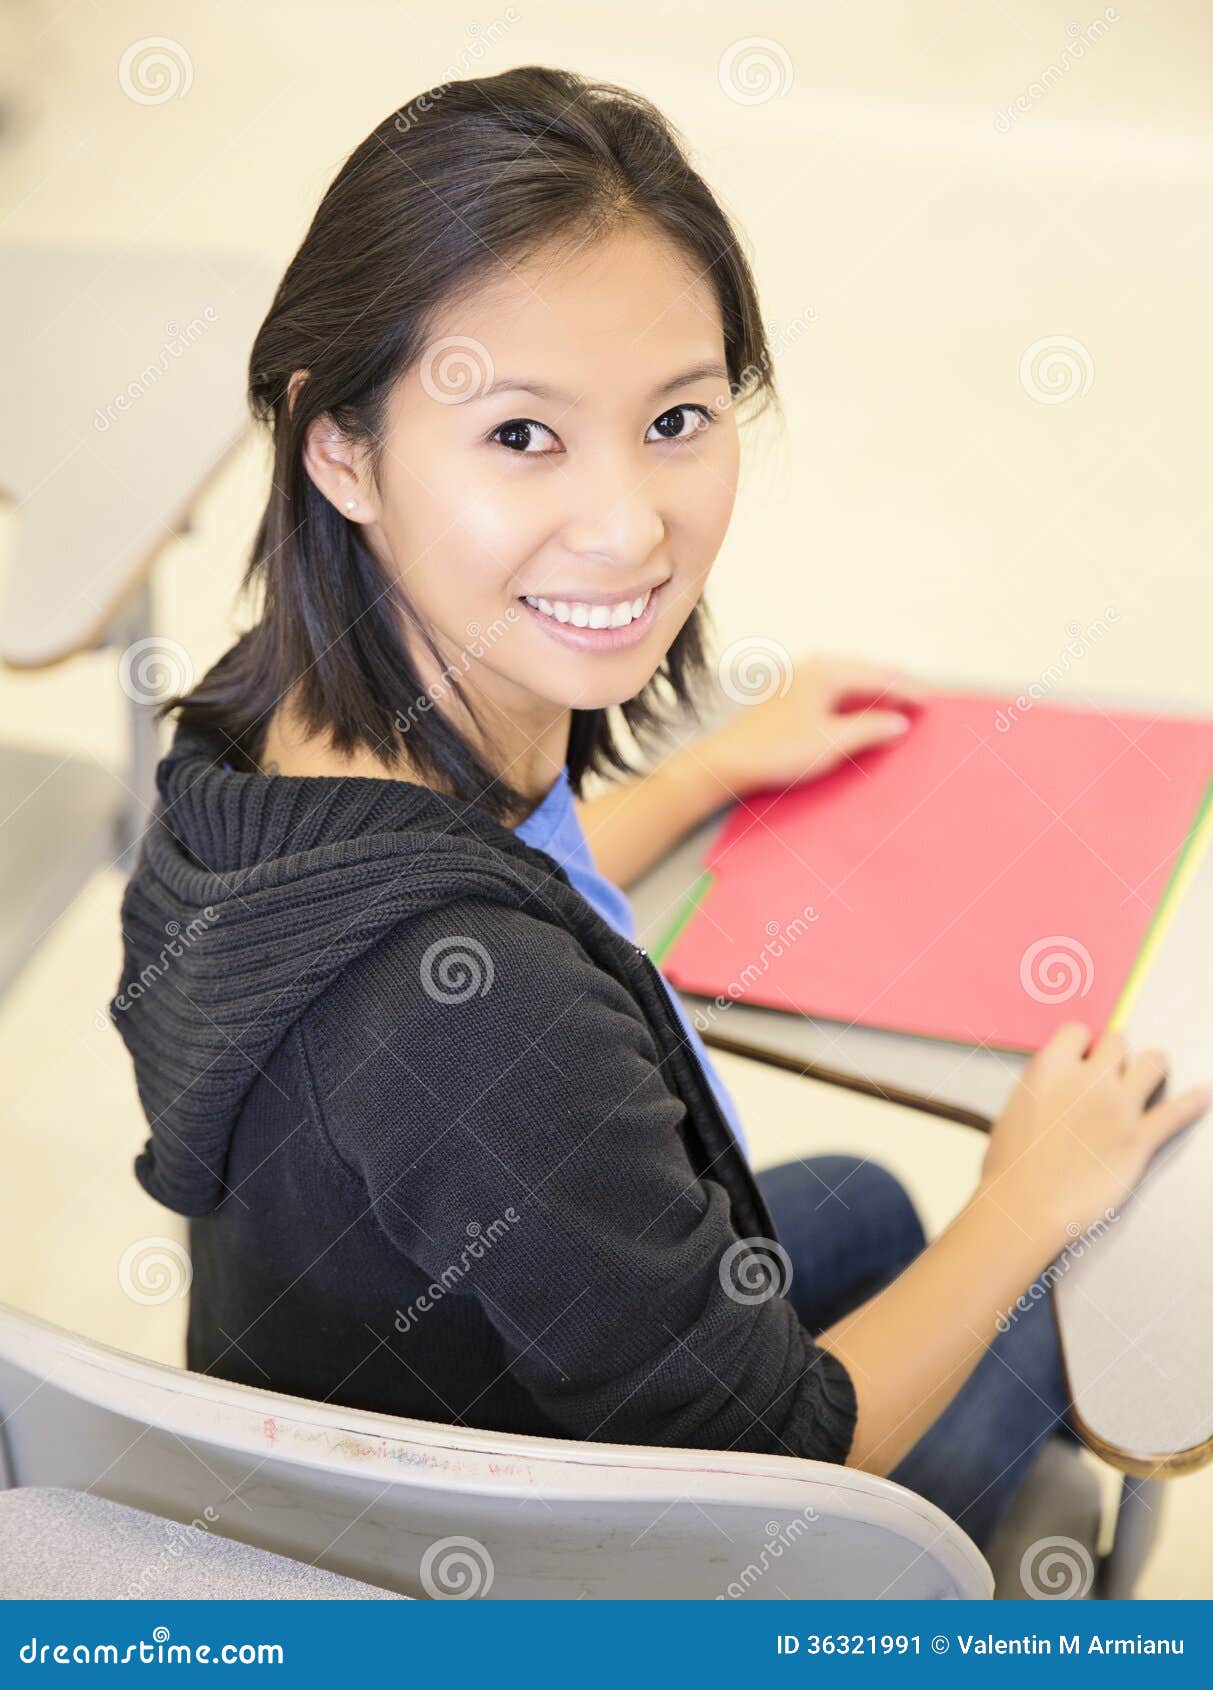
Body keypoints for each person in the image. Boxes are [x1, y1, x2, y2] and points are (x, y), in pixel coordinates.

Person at [110, 65, 1206, 1559]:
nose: (628, 526)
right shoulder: (478, 1016)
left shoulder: (262, 724)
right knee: (1056, 1279)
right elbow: (785, 1456)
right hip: (556, 1578)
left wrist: (700, 774)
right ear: (340, 444)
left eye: (676, 417)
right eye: (518, 435)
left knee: (865, 1210)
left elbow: (466, 907)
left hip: (362, 1434)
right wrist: (1025, 1199)